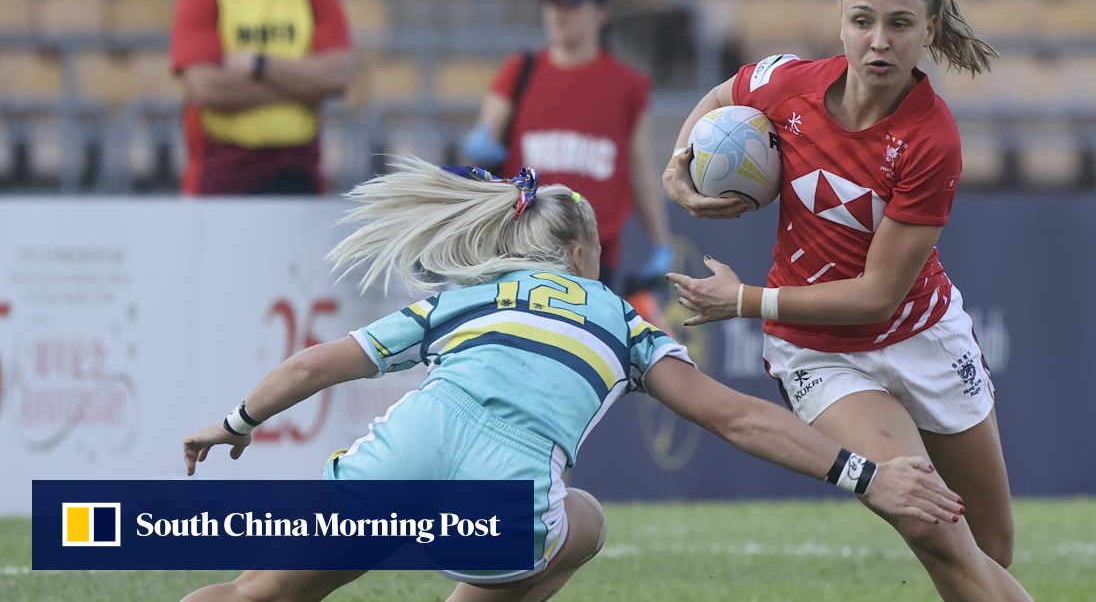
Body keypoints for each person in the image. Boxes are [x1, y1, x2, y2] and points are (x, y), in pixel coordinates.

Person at [180, 156, 964, 602]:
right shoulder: (624, 323)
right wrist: (864, 473)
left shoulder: (466, 298)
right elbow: (737, 419)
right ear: (587, 252)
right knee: (583, 519)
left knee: (255, 595)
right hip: (506, 501)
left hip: (404, 459)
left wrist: (237, 423)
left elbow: (313, 364)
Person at [662, 0, 1034, 601]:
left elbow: (876, 296)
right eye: (862, 21)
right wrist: (678, 168)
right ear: (840, 23)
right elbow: (724, 92)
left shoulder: (931, 139)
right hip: (819, 353)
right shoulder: (786, 84)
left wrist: (745, 301)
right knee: (930, 522)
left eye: (899, 24)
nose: (878, 42)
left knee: (989, 548)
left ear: (930, 31)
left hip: (922, 335)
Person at [459, 0, 672, 289]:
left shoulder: (628, 85)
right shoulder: (520, 70)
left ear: (600, 14)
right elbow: (485, 135)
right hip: (523, 242)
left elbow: (639, 168)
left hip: (592, 249)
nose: (558, 14)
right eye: (551, 4)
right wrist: (479, 148)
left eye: (570, 5)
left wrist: (661, 243)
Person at [169, 0, 355, 195]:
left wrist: (259, 64)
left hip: (299, 163)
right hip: (226, 165)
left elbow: (337, 75)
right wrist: (303, 87)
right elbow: (206, 89)